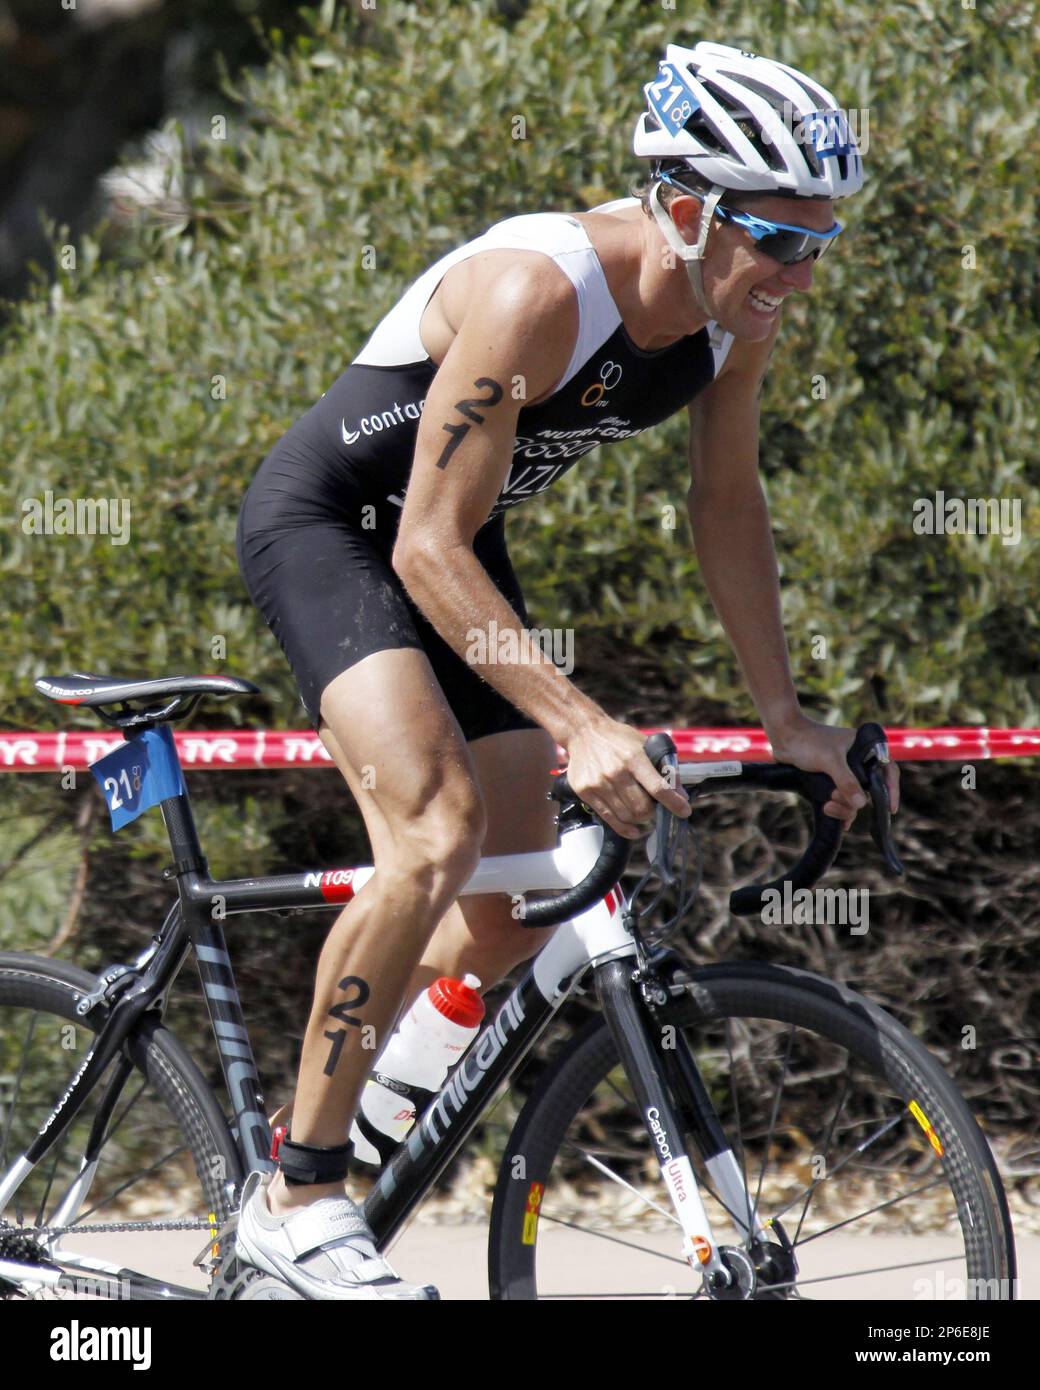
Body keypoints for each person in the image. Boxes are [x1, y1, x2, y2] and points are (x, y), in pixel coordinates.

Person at [233, 40, 898, 1299]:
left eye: (819, 242)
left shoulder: (722, 311)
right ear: (689, 207)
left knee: (506, 911)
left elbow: (724, 497)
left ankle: (360, 1141)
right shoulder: (542, 286)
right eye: (778, 238)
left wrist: (786, 714)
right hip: (339, 531)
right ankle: (296, 1191)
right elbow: (420, 541)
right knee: (434, 834)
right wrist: (582, 722)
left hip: (451, 549)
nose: (796, 275)